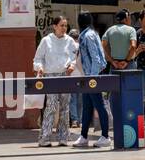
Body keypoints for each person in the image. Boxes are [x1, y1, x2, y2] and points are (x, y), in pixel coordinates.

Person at [33, 17, 78, 146]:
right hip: (50, 75)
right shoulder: (46, 41)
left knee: (65, 106)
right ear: (54, 26)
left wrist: (72, 66)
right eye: (61, 25)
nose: (64, 28)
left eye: (66, 25)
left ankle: (63, 136)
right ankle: (45, 137)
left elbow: (73, 57)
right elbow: (38, 58)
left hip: (65, 75)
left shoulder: (70, 41)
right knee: (51, 106)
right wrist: (40, 68)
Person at [73, 11, 112, 148]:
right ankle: (83, 136)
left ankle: (106, 136)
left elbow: (95, 58)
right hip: (88, 76)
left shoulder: (88, 36)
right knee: (87, 107)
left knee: (99, 106)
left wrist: (92, 78)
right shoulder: (91, 34)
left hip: (91, 77)